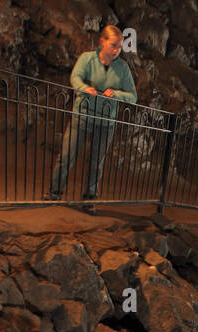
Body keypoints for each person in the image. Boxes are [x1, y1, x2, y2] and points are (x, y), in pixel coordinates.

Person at [46, 25, 138, 203]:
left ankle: (90, 198)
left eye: (119, 47)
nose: (116, 50)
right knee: (66, 156)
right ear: (102, 42)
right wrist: (84, 88)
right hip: (82, 116)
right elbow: (75, 77)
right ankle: (54, 192)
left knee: (97, 162)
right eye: (113, 45)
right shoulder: (87, 59)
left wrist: (117, 94)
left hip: (106, 121)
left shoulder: (123, 68)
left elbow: (132, 96)